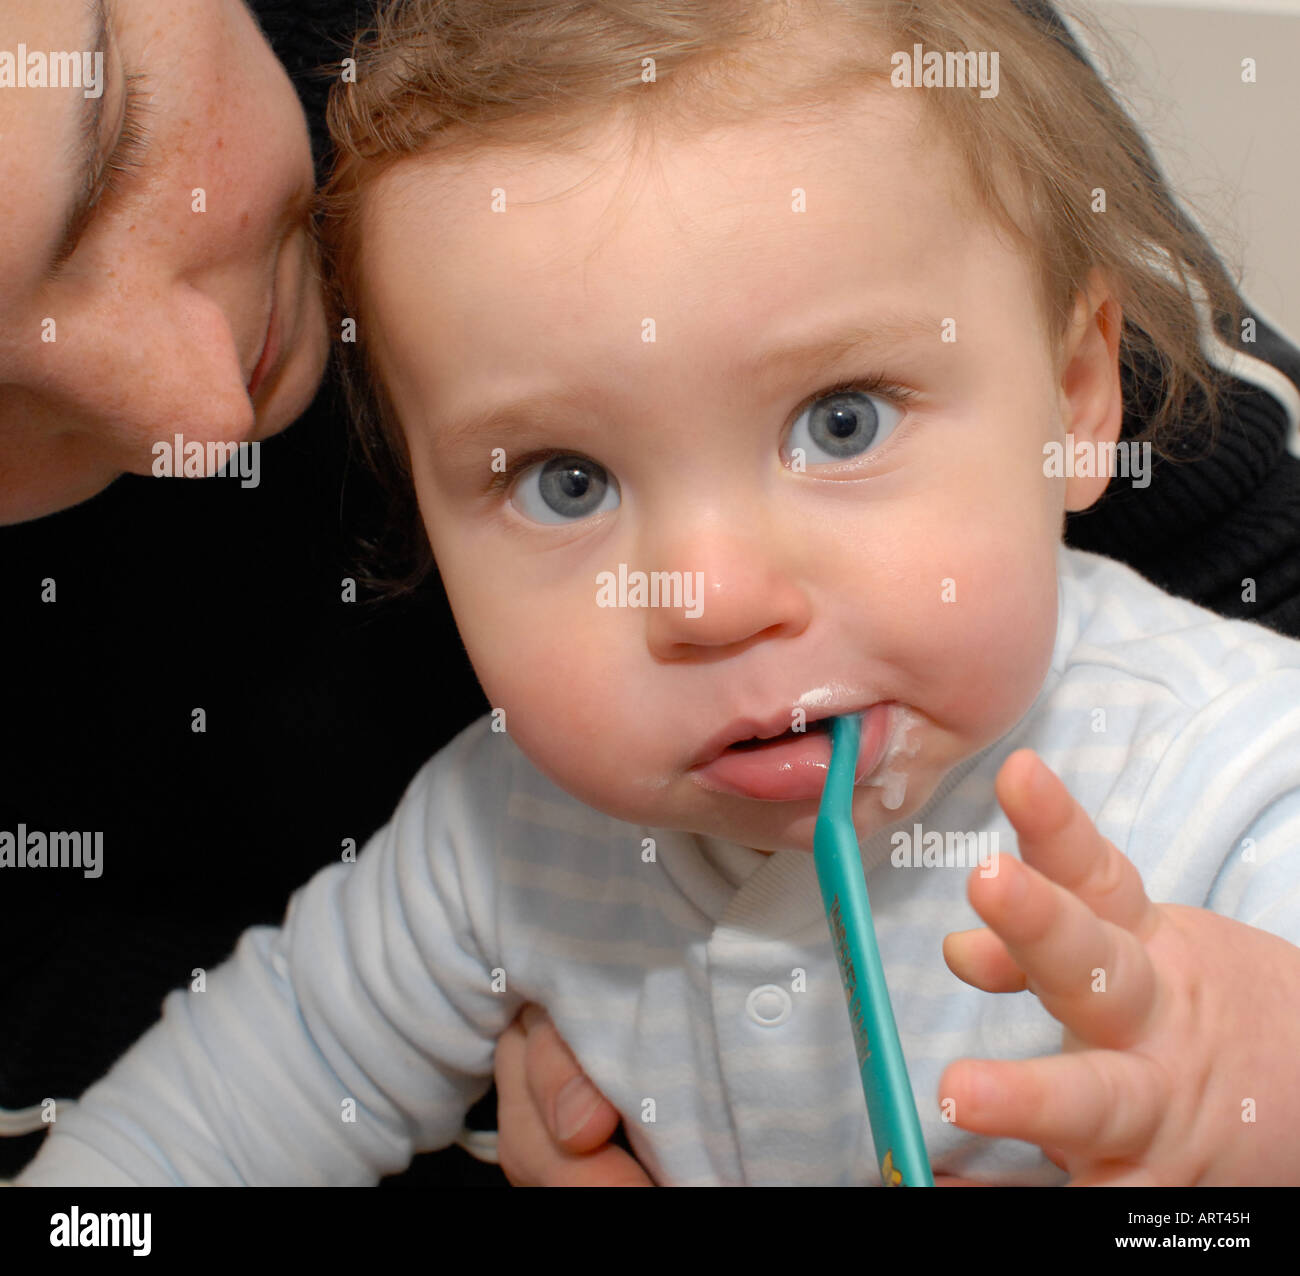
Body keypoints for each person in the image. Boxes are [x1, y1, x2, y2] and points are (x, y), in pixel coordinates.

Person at [11, 0, 1300, 1187]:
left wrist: (1253, 1113)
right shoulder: (497, 839)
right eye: (566, 482)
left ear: (1077, 398)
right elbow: (203, 1128)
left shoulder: (1234, 777)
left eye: (840, 423)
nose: (714, 598)